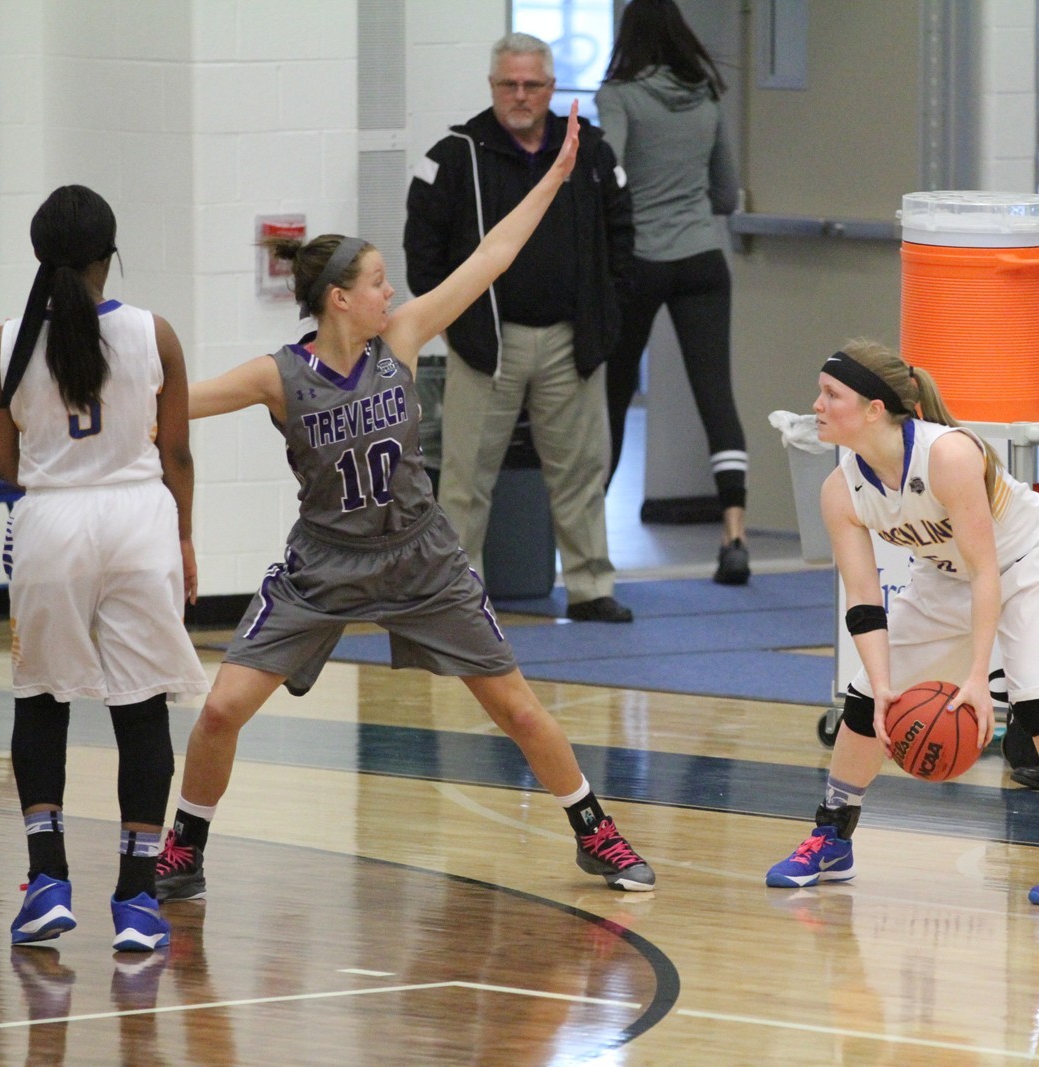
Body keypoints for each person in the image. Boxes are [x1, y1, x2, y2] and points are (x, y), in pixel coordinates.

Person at [153, 106, 656, 902]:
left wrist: (555, 180)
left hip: (422, 554)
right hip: (324, 561)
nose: (394, 289)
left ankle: (595, 830)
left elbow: (491, 255)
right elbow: (171, 407)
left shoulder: (405, 336)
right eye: (379, 280)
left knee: (518, 707)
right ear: (340, 299)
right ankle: (185, 843)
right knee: (219, 711)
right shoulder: (275, 376)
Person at [764, 341, 1039, 906]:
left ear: (874, 409)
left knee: (1034, 694)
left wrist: (979, 675)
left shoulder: (950, 455)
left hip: (1025, 561)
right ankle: (832, 835)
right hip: (948, 574)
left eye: (830, 394)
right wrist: (886, 685)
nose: (816, 404)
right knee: (864, 699)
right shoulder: (840, 489)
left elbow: (989, 573)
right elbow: (863, 601)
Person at [0, 186, 210, 951]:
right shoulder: (157, 334)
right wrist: (183, 539)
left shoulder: (4, 341)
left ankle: (47, 881)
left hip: (50, 523)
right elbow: (176, 453)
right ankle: (137, 901)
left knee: (42, 701)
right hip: (139, 522)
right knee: (141, 707)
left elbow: (3, 462)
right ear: (111, 255)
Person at [405, 32, 635, 623]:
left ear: (553, 88)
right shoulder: (457, 156)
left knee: (581, 471)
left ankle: (590, 587)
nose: (521, 95)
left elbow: (623, 241)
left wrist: (604, 320)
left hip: (571, 341)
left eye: (533, 85)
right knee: (464, 478)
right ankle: (456, 596)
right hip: (487, 344)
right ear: (492, 86)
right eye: (509, 84)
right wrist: (454, 323)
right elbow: (423, 251)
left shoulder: (590, 151)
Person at [596, 0, 749, 585]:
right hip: (702, 260)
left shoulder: (620, 96)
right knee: (717, 398)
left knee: (611, 397)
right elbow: (727, 195)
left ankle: (592, 545)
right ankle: (734, 536)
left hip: (639, 263)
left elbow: (608, 175)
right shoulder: (707, 98)